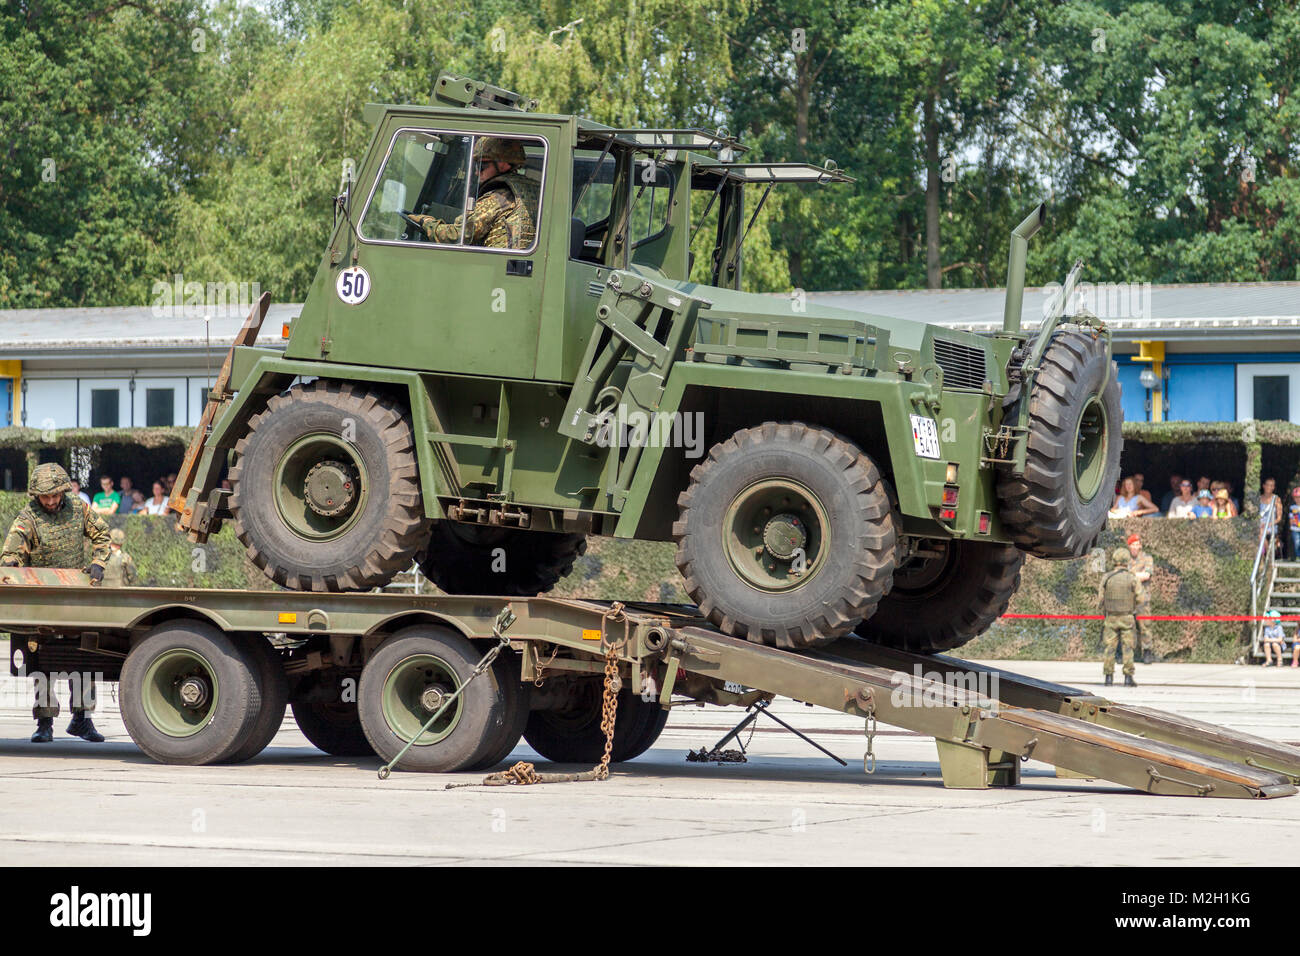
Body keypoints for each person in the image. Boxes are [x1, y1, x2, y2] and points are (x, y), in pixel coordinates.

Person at [0, 463, 110, 743]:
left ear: (64, 491)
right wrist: (12, 565)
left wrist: (98, 562)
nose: (50, 502)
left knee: (83, 657)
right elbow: (12, 551)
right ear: (36, 496)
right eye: (44, 497)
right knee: (42, 660)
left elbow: (102, 535)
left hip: (75, 595)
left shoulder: (78, 509)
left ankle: (83, 720)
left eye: (54, 496)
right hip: (43, 597)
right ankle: (45, 722)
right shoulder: (29, 516)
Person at [408, 137, 537, 250]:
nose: (476, 172)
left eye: (482, 165)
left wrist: (426, 222)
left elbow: (457, 236)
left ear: (503, 165)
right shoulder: (528, 191)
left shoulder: (500, 197)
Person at [1098, 546, 1143, 686]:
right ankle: (1128, 678)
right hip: (1127, 618)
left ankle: (1108, 678)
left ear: (1114, 560)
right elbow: (1140, 598)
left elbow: (1100, 599)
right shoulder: (1132, 578)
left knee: (1109, 648)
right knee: (1128, 648)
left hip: (1110, 617)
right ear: (1127, 560)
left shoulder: (1107, 577)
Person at [1127, 533, 1153, 662]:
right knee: (1128, 627)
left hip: (1143, 598)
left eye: (1137, 544)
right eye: (1133, 545)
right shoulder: (1125, 560)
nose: (1135, 547)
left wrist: (1131, 575)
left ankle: (1147, 652)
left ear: (1140, 546)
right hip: (1128, 599)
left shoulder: (1147, 558)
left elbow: (1147, 575)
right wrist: (1137, 575)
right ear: (1129, 546)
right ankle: (1128, 654)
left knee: (1145, 626)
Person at [1260, 477, 1283, 556]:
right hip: (1259, 525)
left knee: (1260, 532)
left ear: (1273, 487)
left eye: (1271, 485)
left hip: (1271, 525)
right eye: (1267, 485)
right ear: (1263, 486)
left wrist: (1268, 524)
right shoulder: (1258, 498)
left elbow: (1279, 518)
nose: (1269, 487)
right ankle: (1266, 553)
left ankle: (1267, 555)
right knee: (1259, 531)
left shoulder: (1276, 499)